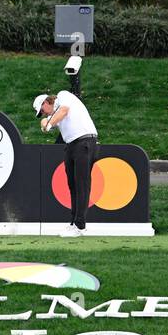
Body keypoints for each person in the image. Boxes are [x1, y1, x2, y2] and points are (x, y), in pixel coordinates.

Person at [33, 89, 99, 237]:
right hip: (72, 146)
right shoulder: (54, 115)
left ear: (46, 102)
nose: (43, 113)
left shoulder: (63, 96)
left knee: (82, 184)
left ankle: (80, 226)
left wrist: (48, 125)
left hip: (85, 142)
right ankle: (74, 222)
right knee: (72, 185)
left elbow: (64, 110)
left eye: (42, 110)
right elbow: (45, 121)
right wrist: (45, 122)